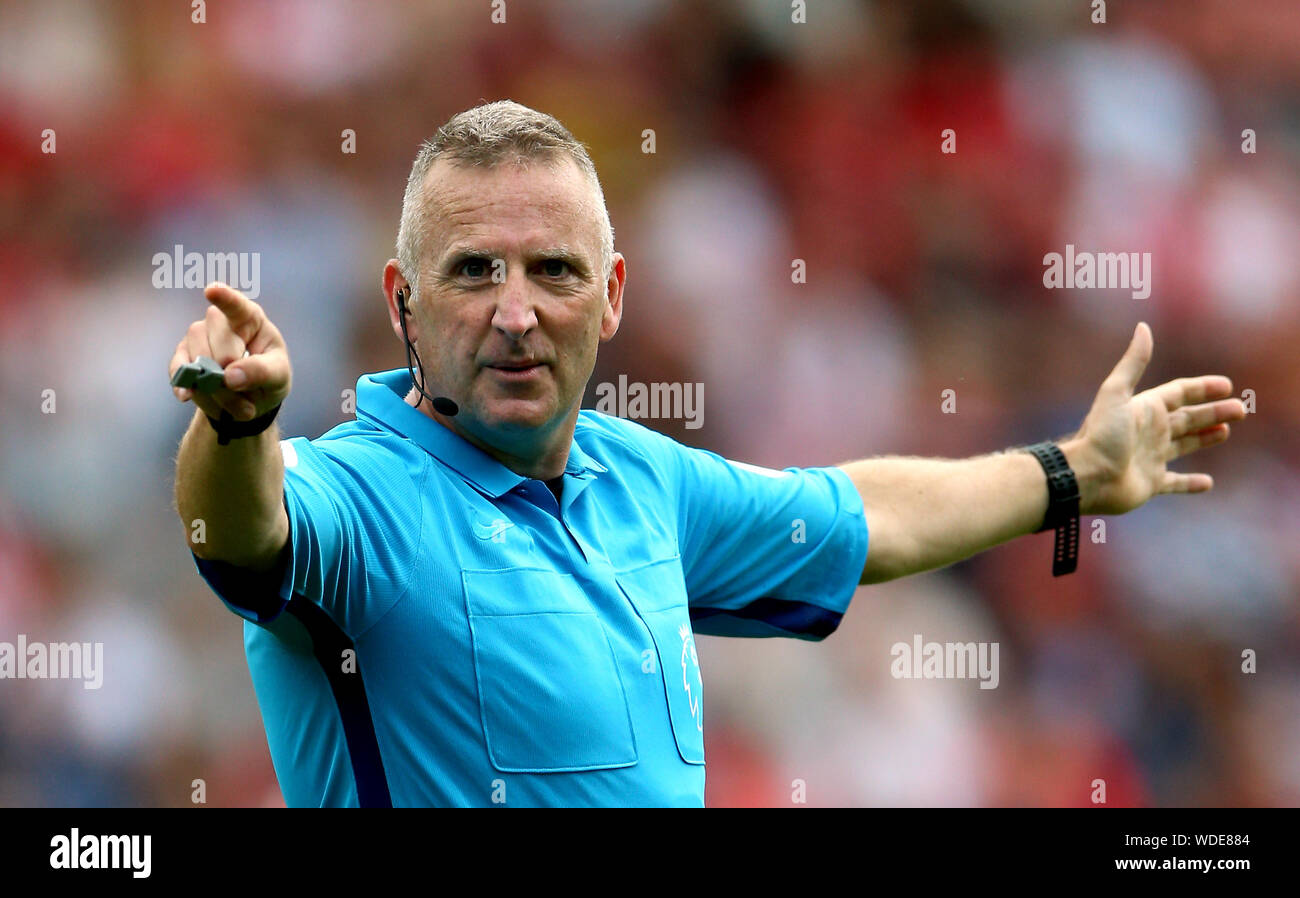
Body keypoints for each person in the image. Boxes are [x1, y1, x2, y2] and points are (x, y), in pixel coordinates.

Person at [169, 100, 1244, 807]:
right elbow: (244, 526)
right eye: (471, 271)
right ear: (402, 301)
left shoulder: (643, 480)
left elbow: (864, 516)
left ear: (615, 295)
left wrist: (1072, 476)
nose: (515, 313)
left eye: (554, 270)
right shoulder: (360, 496)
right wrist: (235, 427)